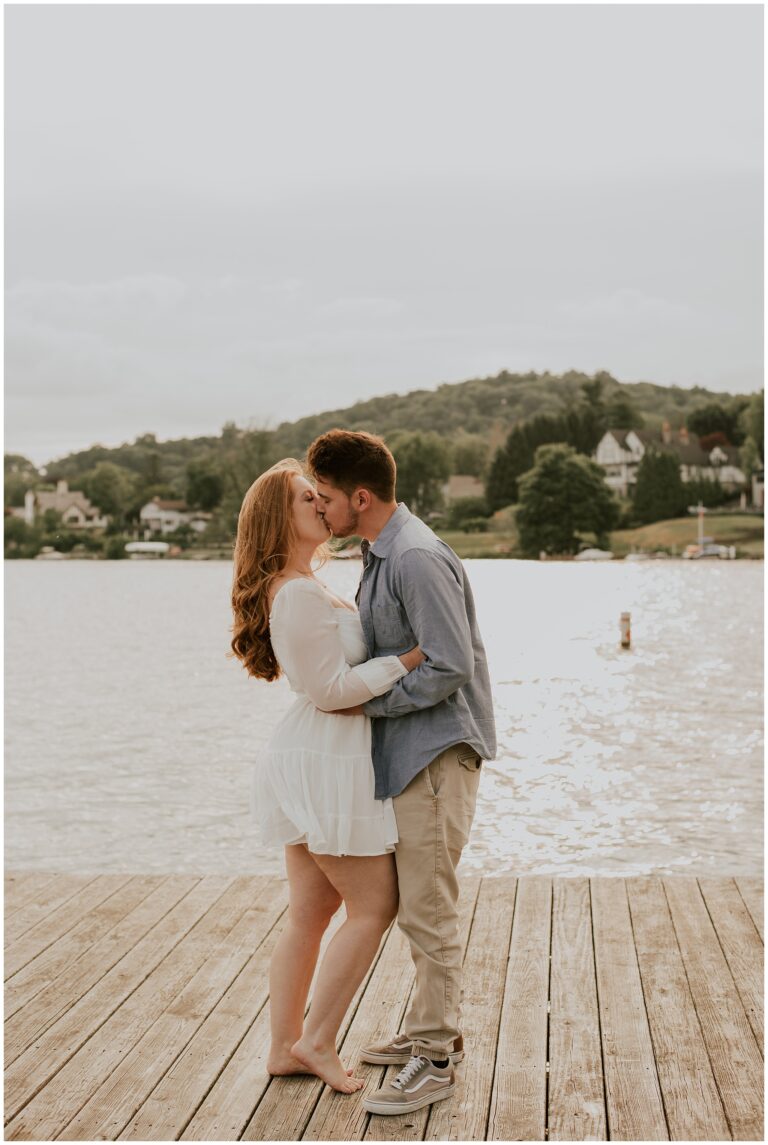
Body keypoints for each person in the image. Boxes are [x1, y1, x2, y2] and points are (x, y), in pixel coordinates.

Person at [306, 429, 497, 1116]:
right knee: (421, 902)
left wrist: (372, 700)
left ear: (360, 496)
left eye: (325, 498)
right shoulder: (379, 552)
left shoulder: (414, 557)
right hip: (413, 754)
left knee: (428, 906)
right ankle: (428, 1030)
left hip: (436, 753)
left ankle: (436, 1056)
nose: (319, 508)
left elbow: (450, 663)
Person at [230, 459, 426, 1094]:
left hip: (315, 753)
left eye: (320, 495)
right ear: (277, 518)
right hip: (326, 756)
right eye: (307, 498)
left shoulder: (305, 584)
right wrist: (407, 661)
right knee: (375, 905)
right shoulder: (294, 593)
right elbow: (329, 691)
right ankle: (316, 1040)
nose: (321, 504)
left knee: (311, 913)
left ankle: (285, 1048)